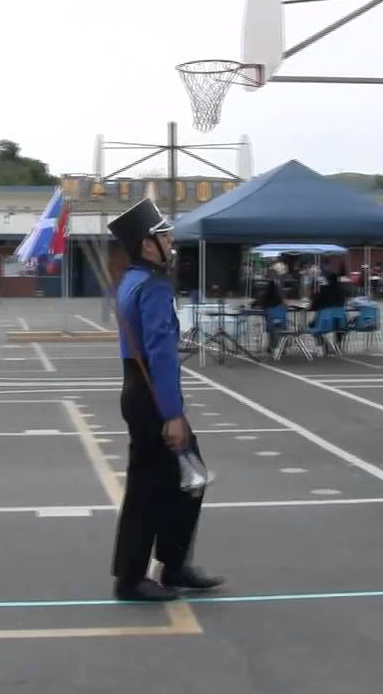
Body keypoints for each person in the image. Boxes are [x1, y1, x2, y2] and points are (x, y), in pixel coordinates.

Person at [108, 198, 223, 602]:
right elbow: (161, 353)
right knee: (153, 487)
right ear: (147, 244)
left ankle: (173, 564)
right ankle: (132, 578)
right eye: (164, 236)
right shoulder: (153, 286)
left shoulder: (131, 281)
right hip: (152, 393)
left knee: (181, 481)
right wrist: (172, 414)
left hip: (139, 389)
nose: (171, 241)